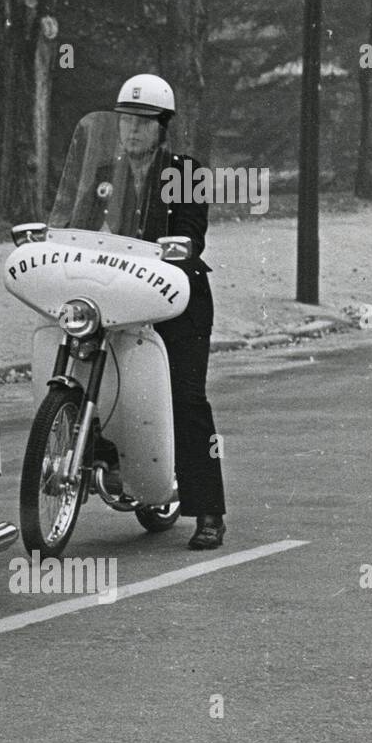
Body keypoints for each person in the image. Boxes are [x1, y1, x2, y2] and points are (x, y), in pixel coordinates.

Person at [96, 73, 227, 550]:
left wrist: (180, 246)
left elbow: (193, 233)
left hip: (178, 302)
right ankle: (102, 459)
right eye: (126, 121)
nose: (132, 131)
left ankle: (208, 511)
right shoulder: (101, 175)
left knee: (186, 398)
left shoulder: (185, 173)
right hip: (116, 299)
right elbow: (78, 223)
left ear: (162, 127)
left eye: (143, 122)